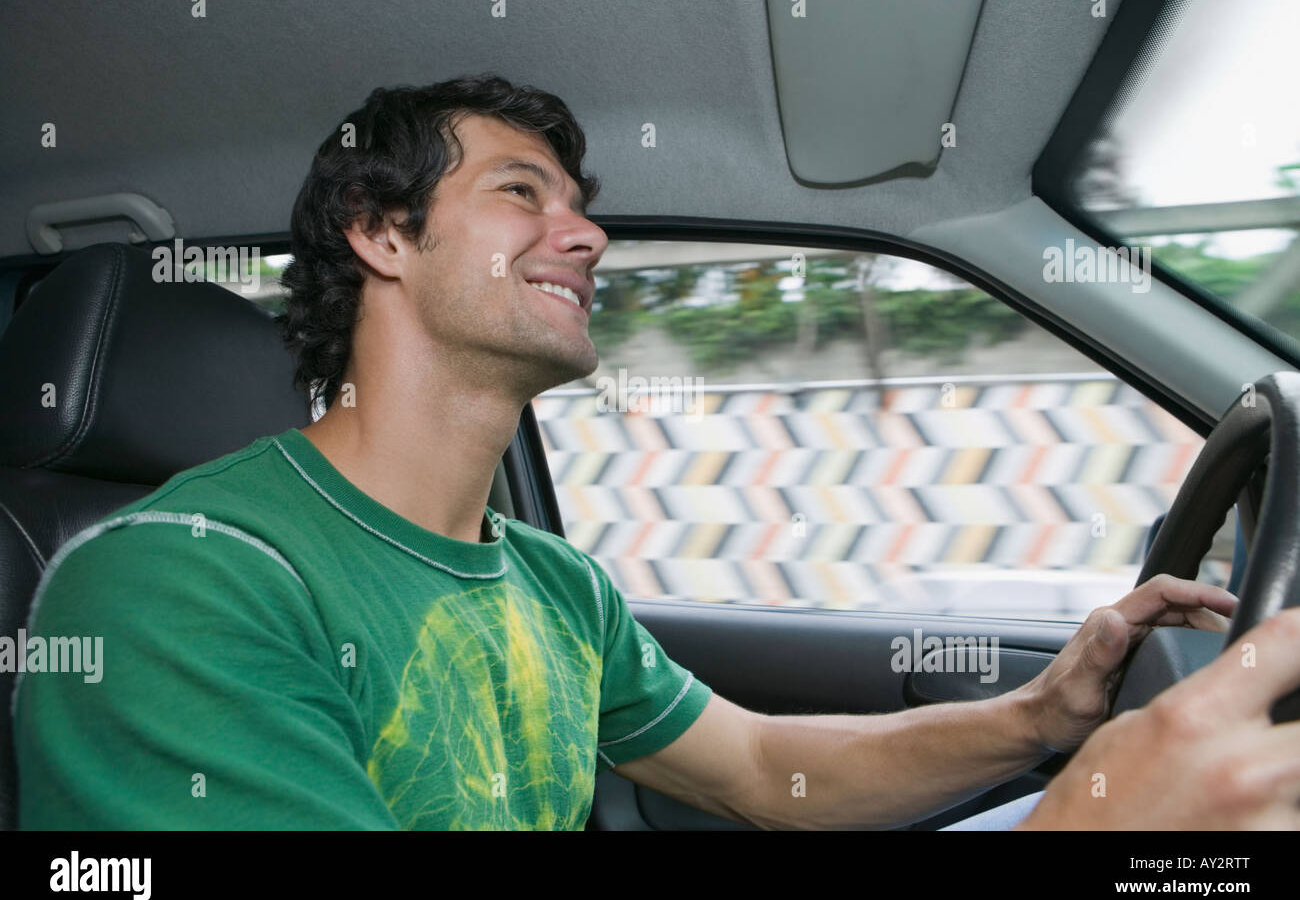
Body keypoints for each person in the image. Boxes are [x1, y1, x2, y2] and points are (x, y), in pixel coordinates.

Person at [14, 75, 1300, 830]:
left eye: (582, 208)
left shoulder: (549, 582)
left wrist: (1041, 715)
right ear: (380, 232)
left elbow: (755, 765)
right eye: (521, 192)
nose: (584, 237)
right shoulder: (171, 589)